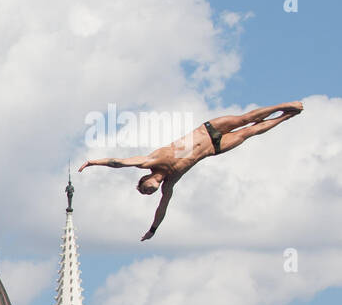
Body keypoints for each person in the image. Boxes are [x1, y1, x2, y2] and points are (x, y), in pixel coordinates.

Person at [79, 102, 303, 240]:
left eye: (143, 189)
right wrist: (153, 230)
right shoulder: (169, 184)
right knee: (249, 132)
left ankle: (282, 106)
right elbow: (162, 208)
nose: (147, 192)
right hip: (214, 148)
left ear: (144, 179)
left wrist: (92, 163)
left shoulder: (150, 161)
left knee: (245, 119)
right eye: (147, 194)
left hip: (207, 130)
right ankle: (286, 116)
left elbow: (119, 162)